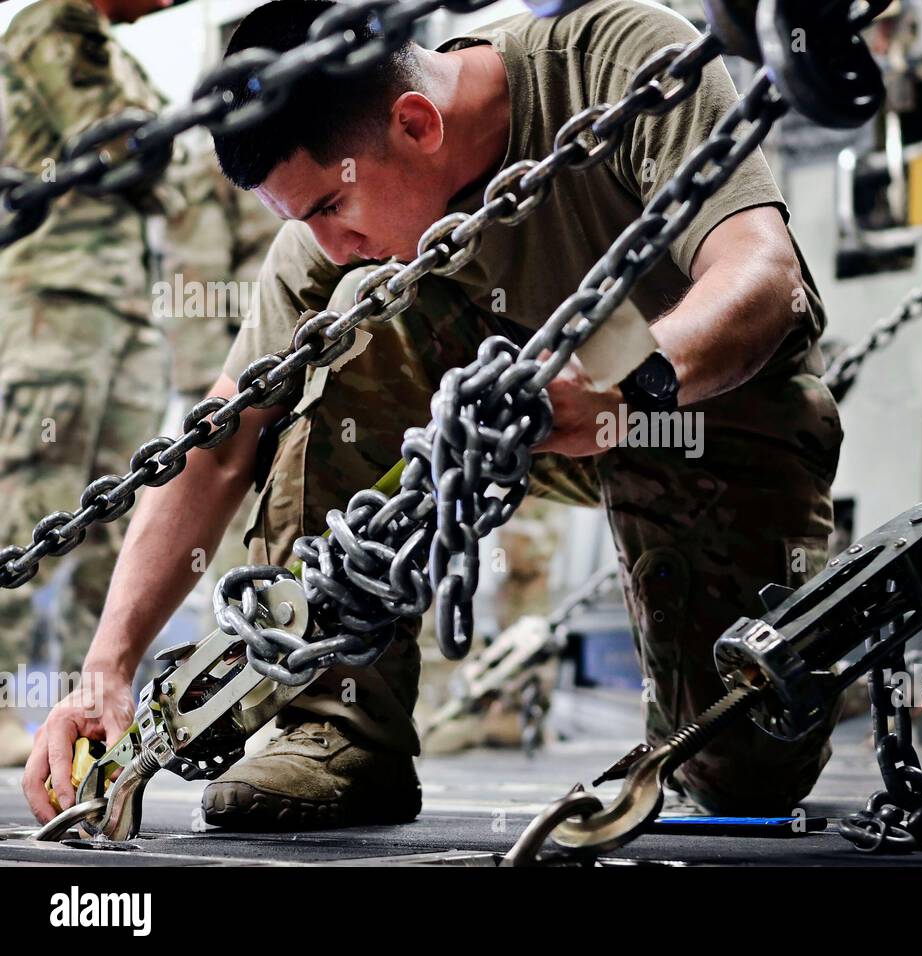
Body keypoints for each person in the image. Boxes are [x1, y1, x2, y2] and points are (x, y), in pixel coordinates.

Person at [24, 0, 844, 829]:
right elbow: (220, 435)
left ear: (416, 124)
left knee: (741, 772)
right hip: (522, 424)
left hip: (708, 411)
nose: (330, 239)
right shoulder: (331, 240)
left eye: (328, 209)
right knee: (350, 321)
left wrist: (626, 384)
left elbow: (762, 276)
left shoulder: (622, 56)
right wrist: (107, 668)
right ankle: (336, 729)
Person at [0, 0, 180, 767]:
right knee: (29, 503)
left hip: (127, 307)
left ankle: (83, 707)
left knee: (116, 517)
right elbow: (118, 146)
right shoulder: (54, 22)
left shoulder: (114, 47)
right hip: (56, 301)